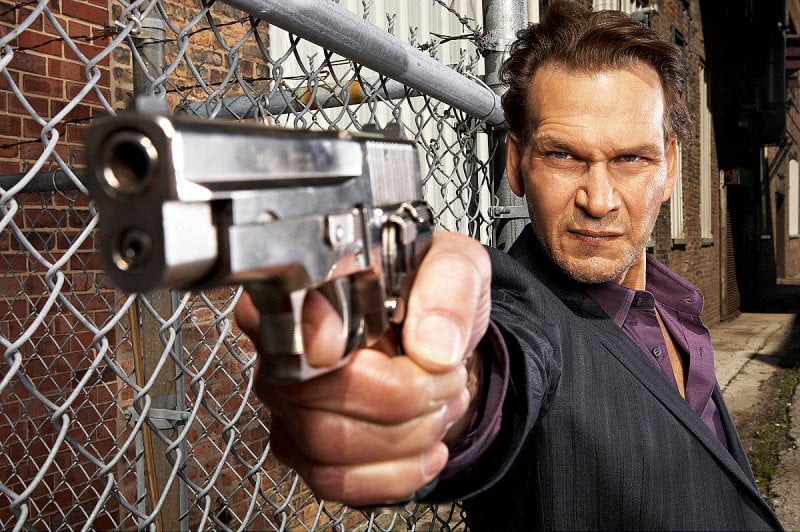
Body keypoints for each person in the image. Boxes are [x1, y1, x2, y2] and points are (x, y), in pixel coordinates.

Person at [235, 1, 783, 529]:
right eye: (562, 155)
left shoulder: (673, 301)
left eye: (630, 159)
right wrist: (441, 390)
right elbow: (500, 373)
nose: (598, 200)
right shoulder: (520, 312)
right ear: (516, 164)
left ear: (670, 168)